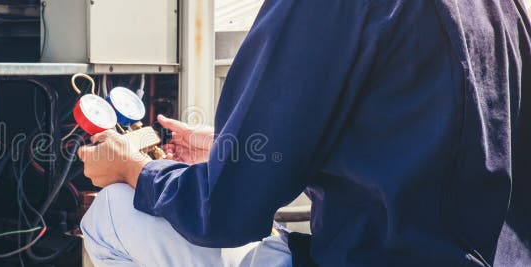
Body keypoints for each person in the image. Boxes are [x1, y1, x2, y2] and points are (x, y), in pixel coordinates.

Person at [77, 0, 531, 266]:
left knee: (112, 214)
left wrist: (134, 168)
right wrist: (229, 148)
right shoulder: (500, 8)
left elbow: (223, 212)